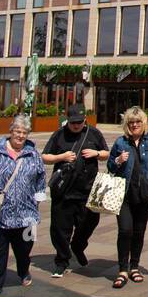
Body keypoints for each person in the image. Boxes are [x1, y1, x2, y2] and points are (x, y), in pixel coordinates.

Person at [0, 115, 47, 297]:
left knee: (25, 246)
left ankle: (23, 269)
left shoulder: (33, 154)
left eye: (24, 133)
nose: (20, 136)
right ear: (11, 131)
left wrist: (38, 198)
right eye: (17, 131)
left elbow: (41, 178)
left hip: (27, 212)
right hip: (1, 211)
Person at [108, 106, 148, 290]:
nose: (135, 125)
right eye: (131, 122)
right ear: (126, 124)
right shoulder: (121, 143)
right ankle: (122, 269)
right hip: (124, 194)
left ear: (143, 123)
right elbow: (110, 167)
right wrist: (118, 161)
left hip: (144, 193)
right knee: (125, 230)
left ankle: (134, 267)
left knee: (138, 231)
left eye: (138, 122)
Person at [42, 103, 109, 277]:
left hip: (88, 191)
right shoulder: (59, 135)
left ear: (85, 120)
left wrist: (96, 153)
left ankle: (78, 246)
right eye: (73, 122)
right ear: (67, 120)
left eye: (79, 122)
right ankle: (62, 260)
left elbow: (106, 153)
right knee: (60, 228)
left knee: (90, 222)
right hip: (64, 191)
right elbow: (45, 156)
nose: (76, 125)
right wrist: (61, 157)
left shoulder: (93, 133)